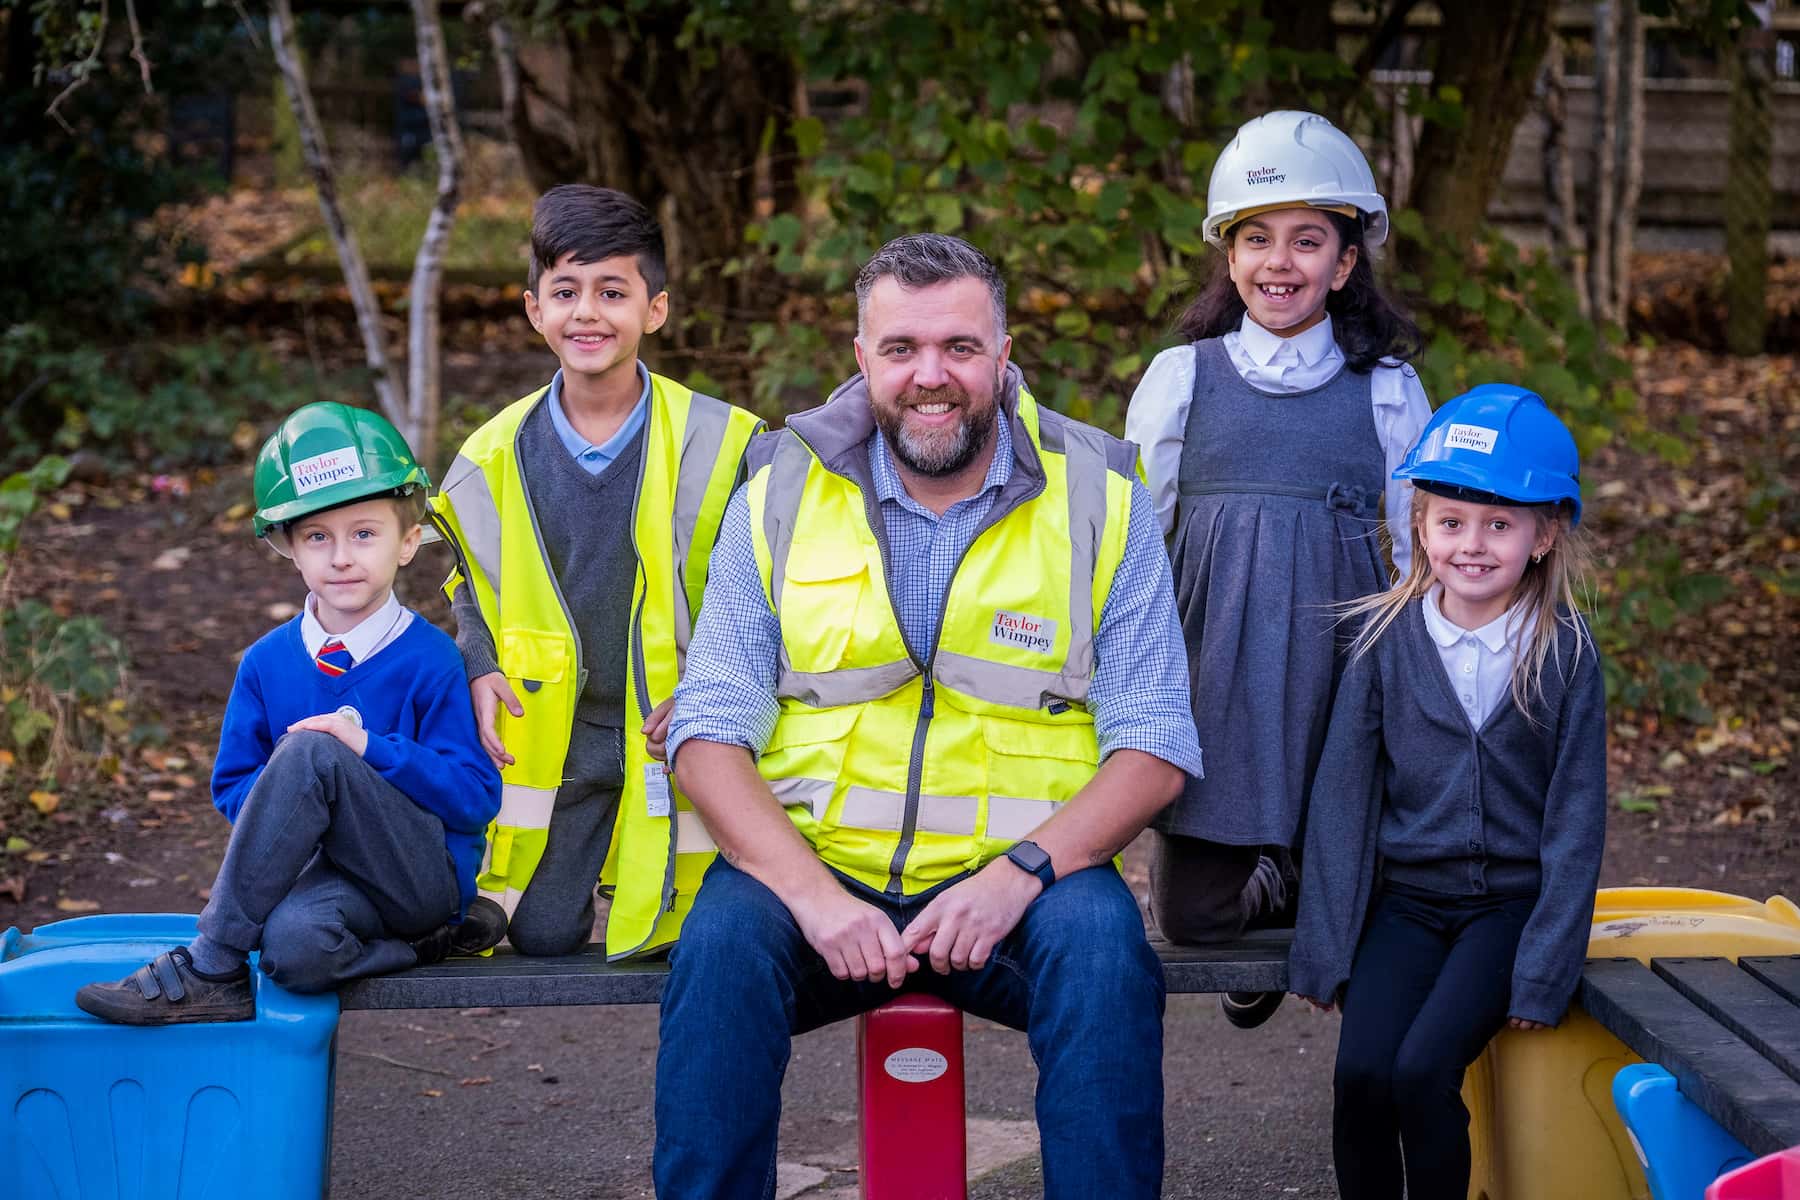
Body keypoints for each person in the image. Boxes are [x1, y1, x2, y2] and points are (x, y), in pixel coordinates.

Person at [654, 233, 1203, 1199]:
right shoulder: (777, 492)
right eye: (901, 349)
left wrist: (1017, 877)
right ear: (862, 359)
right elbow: (707, 741)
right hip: (815, 873)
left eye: (958, 346)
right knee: (719, 956)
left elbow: (1153, 747)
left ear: (1002, 354)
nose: (931, 376)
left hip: (1029, 886)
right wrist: (816, 900)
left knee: (1107, 963)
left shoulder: (1102, 498)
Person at [1124, 109, 1432, 1029]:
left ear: (1344, 263)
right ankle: (1275, 873)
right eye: (1257, 239)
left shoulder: (1385, 390)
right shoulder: (1183, 378)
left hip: (1338, 692)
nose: (1280, 262)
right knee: (1191, 918)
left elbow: (1421, 559)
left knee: (1381, 911)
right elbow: (1138, 547)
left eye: (1308, 241)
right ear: (1228, 255)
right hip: (1217, 687)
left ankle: (1313, 868)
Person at [76, 403, 503, 1023]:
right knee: (296, 954)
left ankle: (211, 963)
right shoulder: (264, 662)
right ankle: (424, 948)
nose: (341, 557)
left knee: (312, 749)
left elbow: (474, 797)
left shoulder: (433, 659)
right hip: (326, 883)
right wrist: (299, 812)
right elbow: (232, 787)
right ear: (288, 549)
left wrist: (365, 751)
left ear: (409, 542)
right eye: (317, 537)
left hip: (415, 876)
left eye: (364, 533)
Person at [1289, 384, 1607, 1200]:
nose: (1473, 544)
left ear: (1542, 537)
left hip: (1507, 912)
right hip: (1408, 905)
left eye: (1500, 524)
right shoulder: (1385, 639)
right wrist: (1325, 949)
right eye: (1452, 521)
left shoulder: (1564, 654)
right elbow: (1342, 802)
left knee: (1422, 1072)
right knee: (1362, 1074)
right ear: (1420, 525)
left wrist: (1544, 970)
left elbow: (1577, 823)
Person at [433, 184, 763, 959]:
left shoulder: (726, 441)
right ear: (533, 309)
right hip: (563, 732)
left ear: (655, 309)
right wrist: (479, 666)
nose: (589, 313)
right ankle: (590, 866)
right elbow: (471, 584)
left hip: (683, 724)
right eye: (566, 292)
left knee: (700, 933)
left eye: (613, 292)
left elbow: (766, 592)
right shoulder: (490, 457)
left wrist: (713, 684)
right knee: (543, 934)